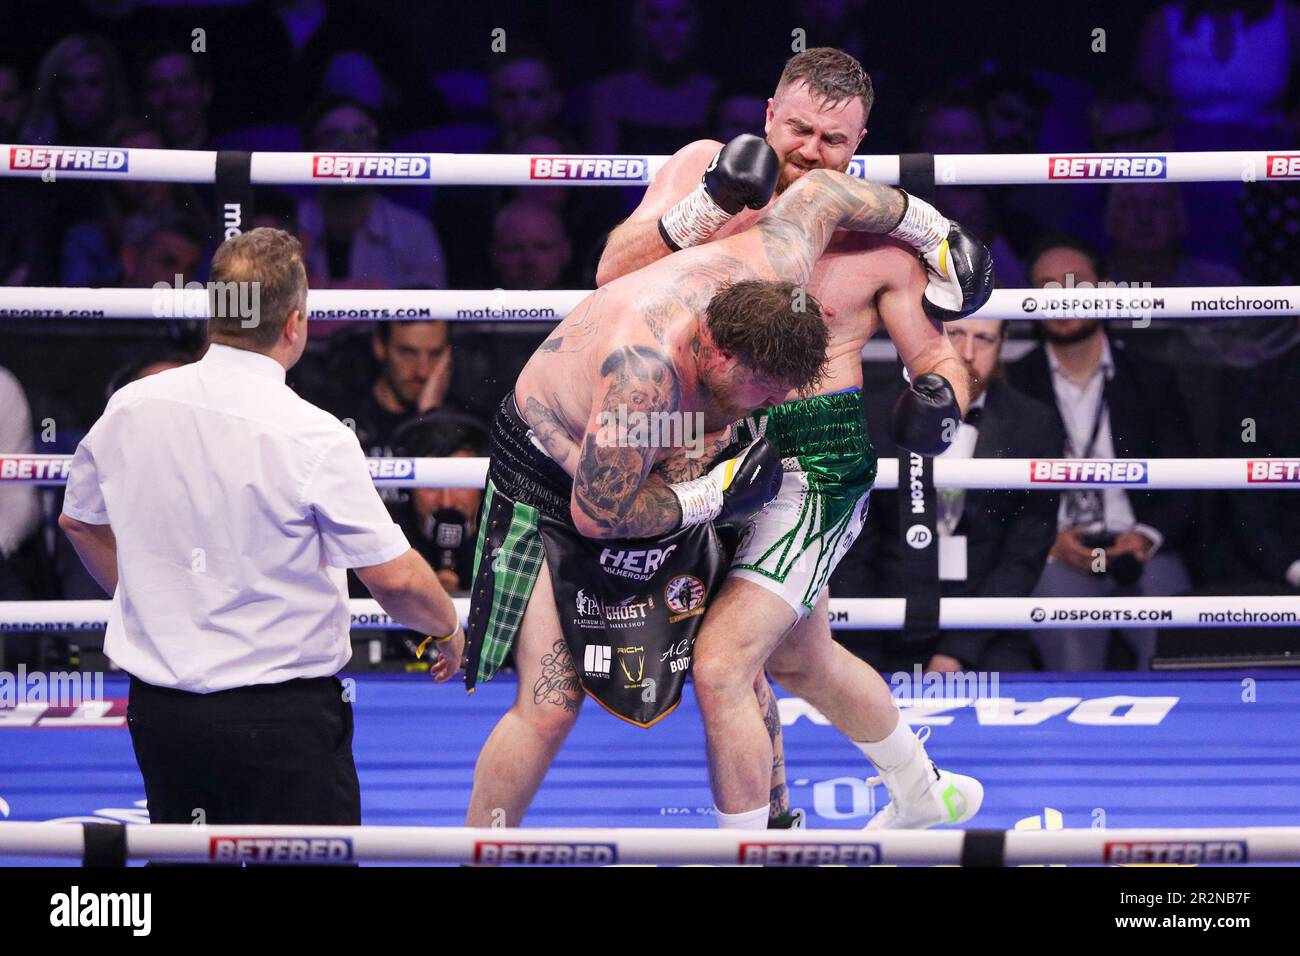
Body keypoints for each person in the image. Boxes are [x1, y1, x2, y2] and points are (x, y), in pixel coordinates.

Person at [596, 47, 992, 830]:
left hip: (816, 459)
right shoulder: (703, 169)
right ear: (768, 115)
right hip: (704, 443)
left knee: (721, 665)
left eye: (834, 141)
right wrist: (707, 208)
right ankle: (925, 795)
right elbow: (612, 270)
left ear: (860, 143)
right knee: (804, 659)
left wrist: (944, 396)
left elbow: (936, 353)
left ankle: (750, 851)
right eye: (799, 130)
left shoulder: (877, 242)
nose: (811, 152)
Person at [58, 228, 462, 834]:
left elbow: (78, 522)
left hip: (165, 715)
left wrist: (155, 596)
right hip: (284, 719)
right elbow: (395, 579)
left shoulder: (132, 406)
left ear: (213, 313)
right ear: (295, 323)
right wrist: (447, 625)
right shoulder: (312, 433)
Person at [1007, 236, 1196, 671]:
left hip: (1141, 549)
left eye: (1074, 284)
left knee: (1176, 657)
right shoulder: (1014, 382)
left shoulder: (1152, 378)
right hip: (1054, 553)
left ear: (1106, 290)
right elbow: (1000, 495)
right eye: (1046, 287)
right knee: (1072, 665)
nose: (1060, 298)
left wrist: (1145, 536)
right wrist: (1049, 543)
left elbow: (1188, 480)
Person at [836, 316, 1062, 674]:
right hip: (883, 622)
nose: (968, 353)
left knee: (1015, 702)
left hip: (987, 626)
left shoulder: (1034, 422)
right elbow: (853, 547)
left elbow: (1024, 553)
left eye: (985, 339)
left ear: (1003, 344)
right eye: (955, 334)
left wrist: (960, 649)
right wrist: (866, 640)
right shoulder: (872, 413)